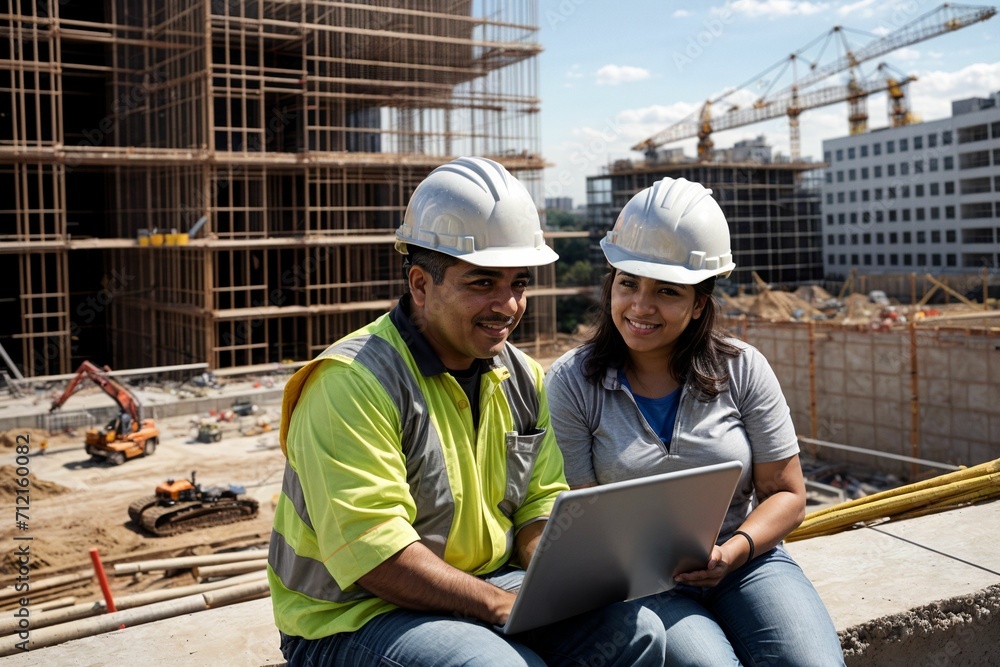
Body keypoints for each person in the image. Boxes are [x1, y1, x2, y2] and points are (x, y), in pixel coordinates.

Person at [267, 157, 666, 667]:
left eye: (518, 284)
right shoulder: (352, 383)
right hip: (355, 614)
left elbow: (540, 501)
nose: (508, 305)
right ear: (420, 285)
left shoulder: (523, 377)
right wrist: (498, 605)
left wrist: (561, 576)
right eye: (482, 283)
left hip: (484, 581)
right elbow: (376, 554)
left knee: (638, 633)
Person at [545, 177, 845, 666]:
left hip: (746, 560)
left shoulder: (742, 368)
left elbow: (788, 494)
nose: (641, 306)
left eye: (666, 290)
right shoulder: (572, 383)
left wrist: (734, 552)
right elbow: (582, 515)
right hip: (642, 583)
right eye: (628, 283)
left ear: (699, 302)